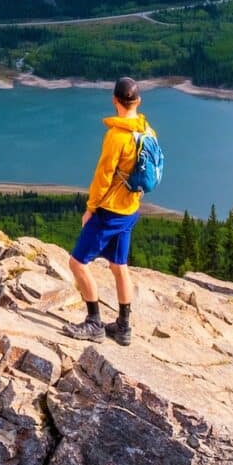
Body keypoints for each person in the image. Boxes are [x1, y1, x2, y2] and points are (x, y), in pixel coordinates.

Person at [66, 75, 152, 345]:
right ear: (137, 101)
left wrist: (91, 208)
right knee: (119, 265)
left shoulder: (117, 136)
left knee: (77, 263)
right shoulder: (147, 132)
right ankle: (124, 327)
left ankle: (94, 323)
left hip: (111, 211)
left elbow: (103, 176)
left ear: (115, 100)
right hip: (131, 209)